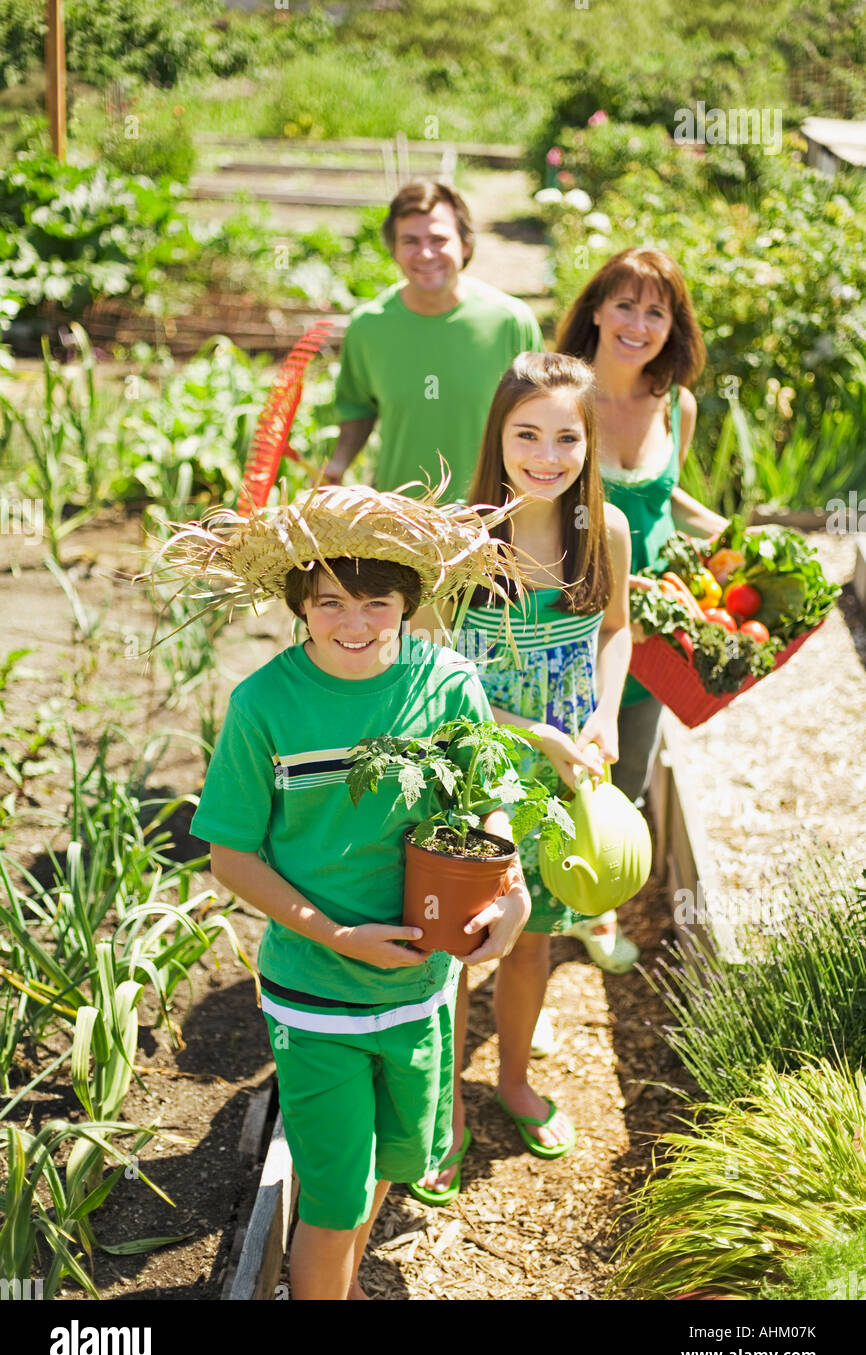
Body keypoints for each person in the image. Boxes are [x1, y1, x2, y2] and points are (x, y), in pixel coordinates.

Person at [167, 484, 532, 1299]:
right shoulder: (265, 704)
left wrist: (511, 891)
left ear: (409, 604)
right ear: (299, 603)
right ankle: (323, 1283)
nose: (355, 624)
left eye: (377, 602)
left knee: (396, 1162)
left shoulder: (446, 686)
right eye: (330, 602)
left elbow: (488, 809)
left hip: (425, 985)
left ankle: (339, 1283)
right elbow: (229, 855)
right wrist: (336, 934)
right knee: (331, 1202)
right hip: (315, 995)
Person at [408, 351, 633, 1202]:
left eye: (566, 437)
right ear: (496, 437)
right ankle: (444, 1112)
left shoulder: (600, 532)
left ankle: (510, 1081)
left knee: (532, 936)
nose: (547, 455)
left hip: (569, 760)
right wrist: (533, 733)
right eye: (526, 434)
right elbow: (426, 672)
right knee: (462, 942)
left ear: (589, 443)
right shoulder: (463, 542)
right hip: (479, 762)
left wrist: (605, 713)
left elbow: (616, 630)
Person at [557, 247, 727, 814]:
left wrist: (737, 541)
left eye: (657, 312)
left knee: (622, 791)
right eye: (625, 305)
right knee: (554, 786)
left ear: (673, 327)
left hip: (650, 630)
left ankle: (598, 901)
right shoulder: (560, 400)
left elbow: (657, 495)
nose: (638, 324)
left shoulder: (677, 406)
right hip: (568, 618)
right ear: (597, 312)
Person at [325, 181, 544, 502]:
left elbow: (542, 417)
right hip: (398, 520)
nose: (425, 253)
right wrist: (339, 463)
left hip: (490, 518)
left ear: (465, 245)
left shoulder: (511, 321)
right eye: (410, 241)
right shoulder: (368, 326)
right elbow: (358, 408)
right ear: (394, 250)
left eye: (439, 239)